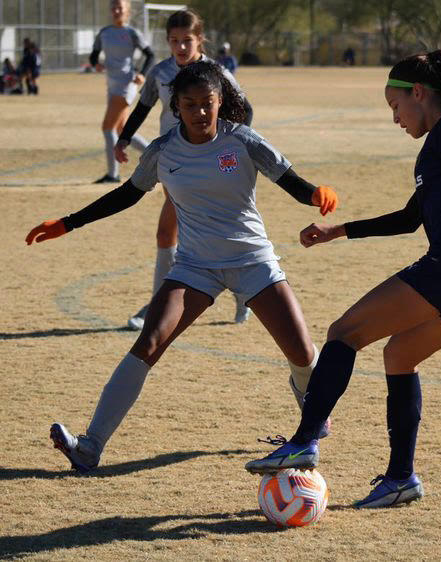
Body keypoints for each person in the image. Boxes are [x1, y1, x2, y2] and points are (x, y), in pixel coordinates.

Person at [26, 61, 339, 473]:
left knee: (301, 353)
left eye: (207, 103)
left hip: (252, 261)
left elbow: (291, 181)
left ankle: (309, 411)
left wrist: (317, 193)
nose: (200, 112)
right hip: (195, 267)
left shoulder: (243, 141)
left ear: (220, 102)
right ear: (176, 108)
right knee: (149, 343)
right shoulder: (162, 151)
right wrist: (68, 222)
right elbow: (126, 195)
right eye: (189, 105)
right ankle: (89, 448)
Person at [244, 49, 441, 509]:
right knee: (399, 355)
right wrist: (339, 231)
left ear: (418, 93)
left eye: (395, 106)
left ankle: (305, 440)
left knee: (343, 334)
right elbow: (410, 219)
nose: (394, 118)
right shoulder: (438, 147)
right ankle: (400, 479)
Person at [115, 9, 254, 330]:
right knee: (171, 233)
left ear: (200, 40)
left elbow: (245, 110)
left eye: (187, 41)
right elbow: (144, 106)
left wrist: (231, 145)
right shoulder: (160, 72)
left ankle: (239, 291)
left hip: (209, 162)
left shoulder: (215, 72)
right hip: (174, 161)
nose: (180, 48)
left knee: (205, 233)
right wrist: (123, 138)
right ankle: (160, 304)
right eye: (174, 41)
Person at [89, 0, 155, 184]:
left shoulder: (132, 33)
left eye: (121, 8)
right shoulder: (104, 33)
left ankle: (113, 174)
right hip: (111, 85)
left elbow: (151, 54)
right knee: (121, 130)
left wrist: (142, 73)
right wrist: (96, 63)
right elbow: (94, 54)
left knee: (107, 128)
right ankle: (158, 156)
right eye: (114, 8)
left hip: (126, 85)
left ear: (128, 12)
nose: (117, 11)